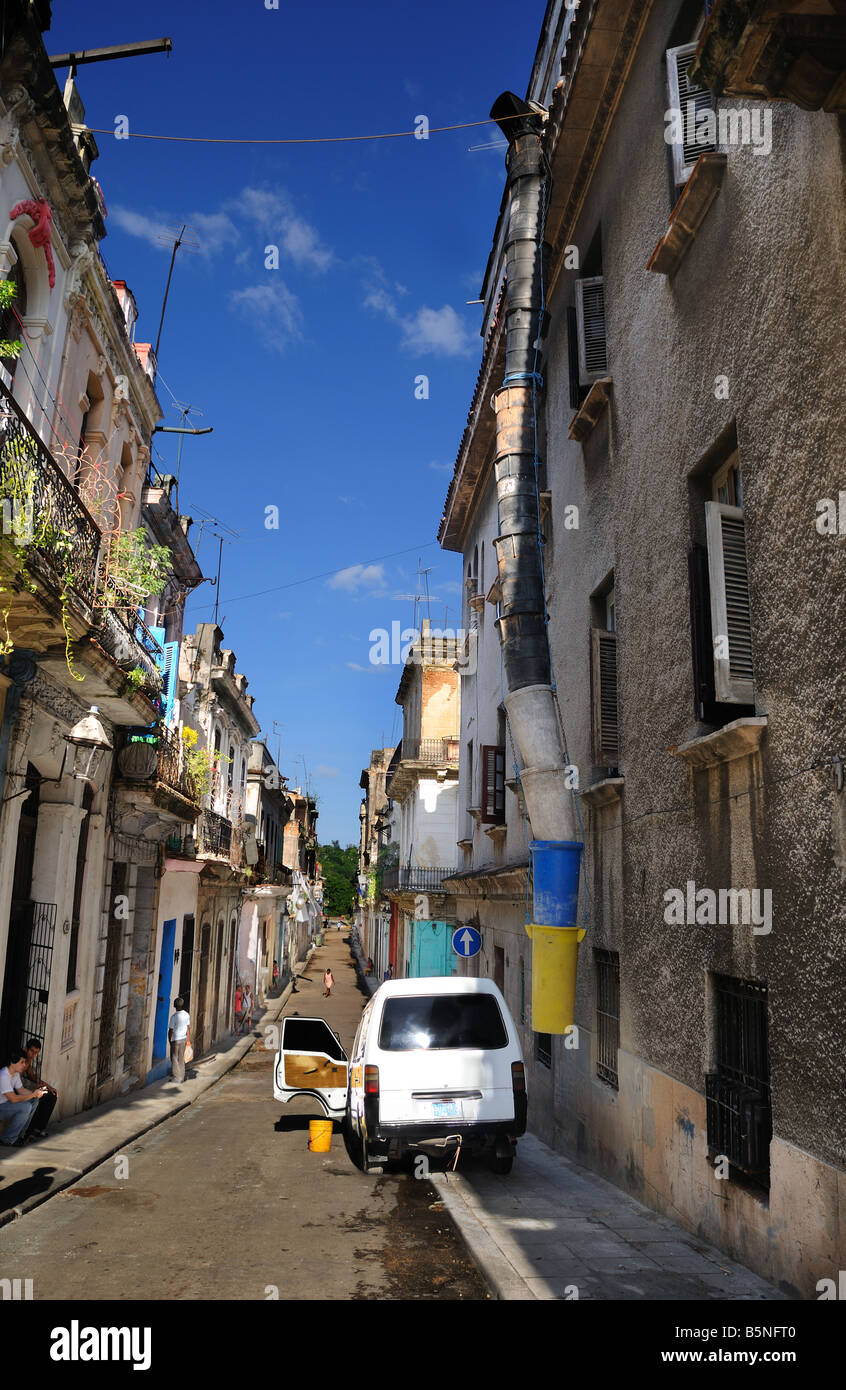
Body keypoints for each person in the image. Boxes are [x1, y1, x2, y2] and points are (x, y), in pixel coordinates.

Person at [0, 1048, 46, 1145]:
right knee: (26, 1106)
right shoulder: (3, 1075)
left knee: (34, 1101)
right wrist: (33, 1094)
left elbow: (21, 1090)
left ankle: (20, 1135)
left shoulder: (15, 1074)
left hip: (6, 1105)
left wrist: (36, 1093)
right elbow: (13, 1099)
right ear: (13, 1062)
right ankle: (7, 1138)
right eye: (22, 1062)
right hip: (1, 1107)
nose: (25, 1065)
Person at [21, 1038, 58, 1137]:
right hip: (19, 1091)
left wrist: (49, 1087)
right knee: (38, 1098)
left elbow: (33, 1077)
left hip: (28, 1088)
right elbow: (18, 1081)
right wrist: (35, 1087)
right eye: (31, 1051)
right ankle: (29, 1131)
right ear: (26, 1049)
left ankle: (39, 1128)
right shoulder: (20, 1060)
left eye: (36, 1053)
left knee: (52, 1095)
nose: (33, 1055)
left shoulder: (28, 1062)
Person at [168, 996, 192, 1083]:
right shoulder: (186, 1015)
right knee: (181, 1058)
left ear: (175, 1006)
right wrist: (188, 1040)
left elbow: (170, 1030)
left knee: (174, 1058)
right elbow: (188, 1028)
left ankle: (176, 1077)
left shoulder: (174, 1017)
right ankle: (182, 1076)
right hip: (183, 1039)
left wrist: (170, 1041)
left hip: (175, 1039)